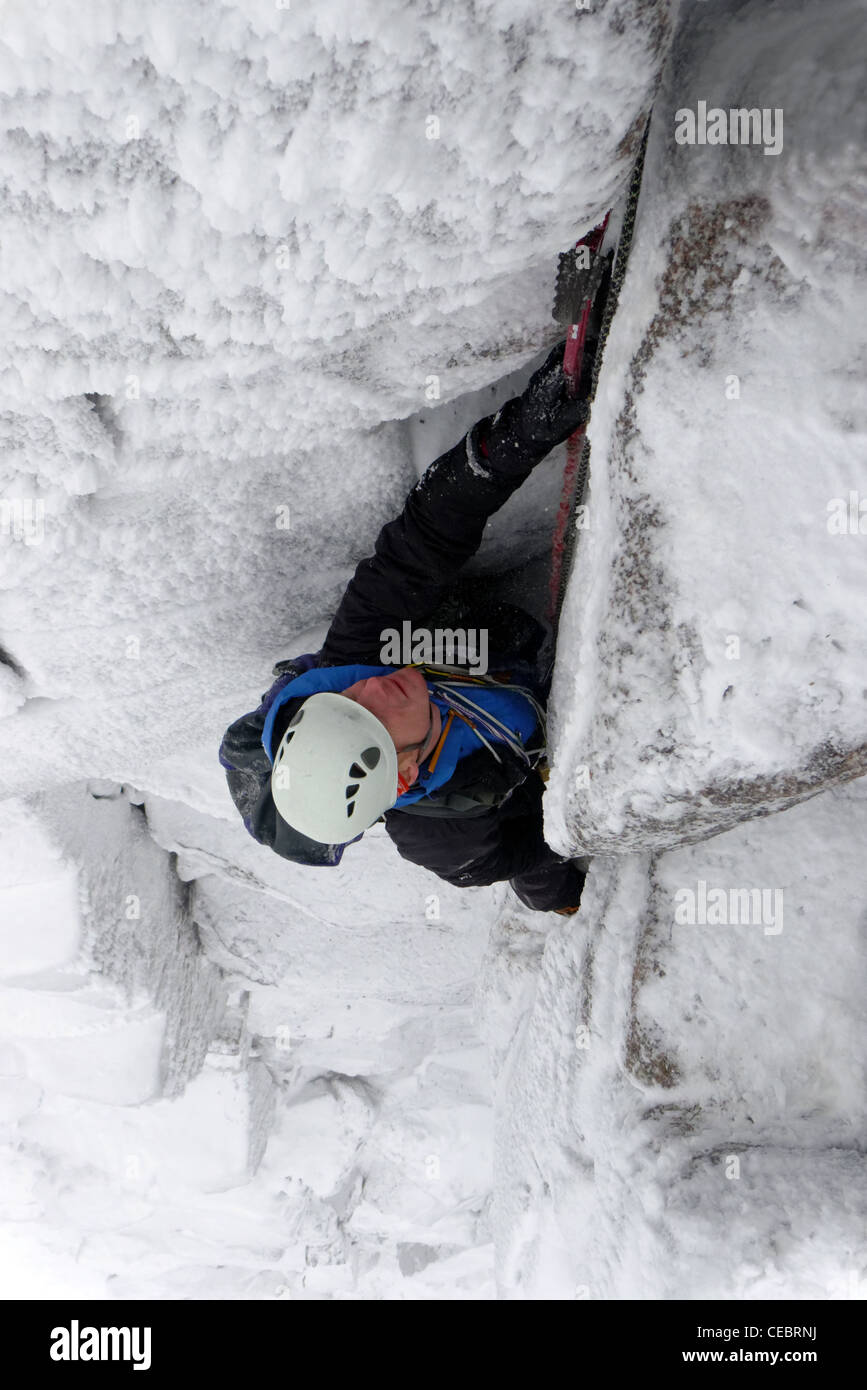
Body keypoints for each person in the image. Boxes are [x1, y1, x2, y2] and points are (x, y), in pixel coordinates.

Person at [220, 341, 594, 914]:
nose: (369, 688)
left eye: (343, 699)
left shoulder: (364, 655)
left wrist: (518, 435)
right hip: (520, 781)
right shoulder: (443, 834)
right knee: (548, 884)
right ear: (405, 775)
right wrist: (569, 833)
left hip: (496, 646)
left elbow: (425, 535)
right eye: (370, 718)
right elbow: (506, 857)